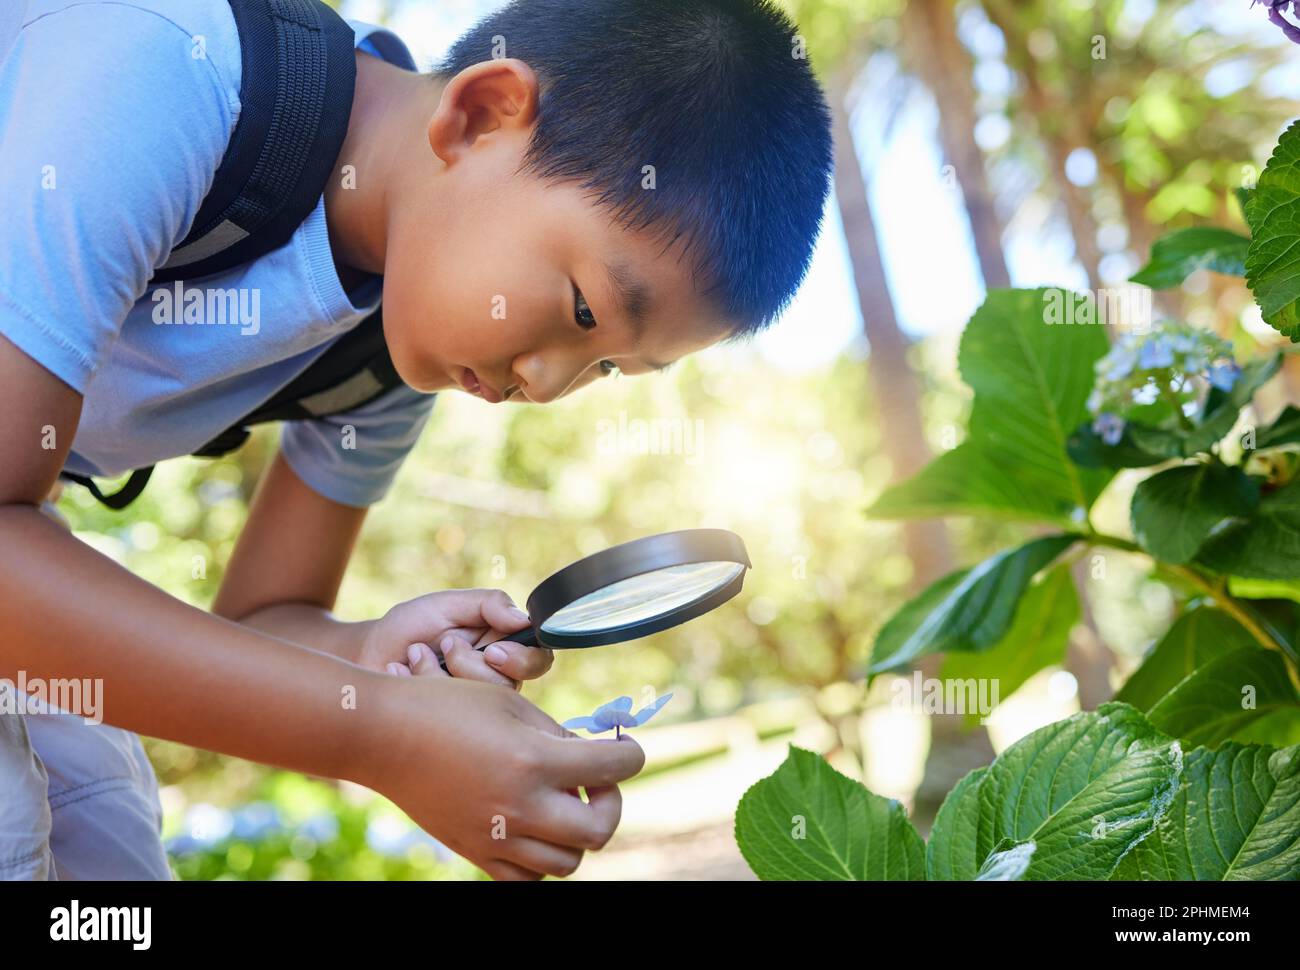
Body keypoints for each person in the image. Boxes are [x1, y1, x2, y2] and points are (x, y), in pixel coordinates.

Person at [0, 0, 834, 880]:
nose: (547, 387)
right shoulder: (169, 70)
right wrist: (378, 738)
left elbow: (262, 620)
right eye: (586, 310)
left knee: (108, 848)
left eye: (611, 369)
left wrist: (375, 659)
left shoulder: (386, 364)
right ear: (480, 116)